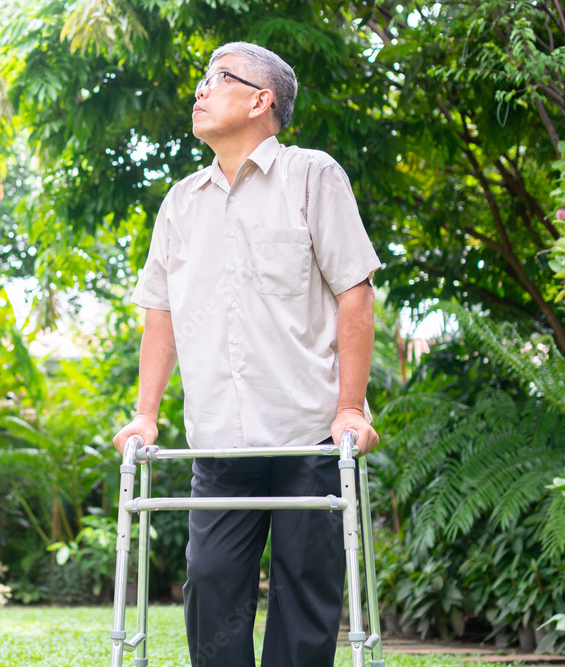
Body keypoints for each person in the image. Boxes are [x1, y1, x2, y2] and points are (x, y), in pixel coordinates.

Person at [112, 41, 381, 667]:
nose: (200, 91)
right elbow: (161, 314)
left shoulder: (314, 176)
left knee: (305, 596)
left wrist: (351, 409)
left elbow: (355, 293)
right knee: (209, 585)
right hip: (219, 441)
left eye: (217, 79)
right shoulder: (181, 202)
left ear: (261, 100)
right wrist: (145, 414)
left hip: (307, 434)